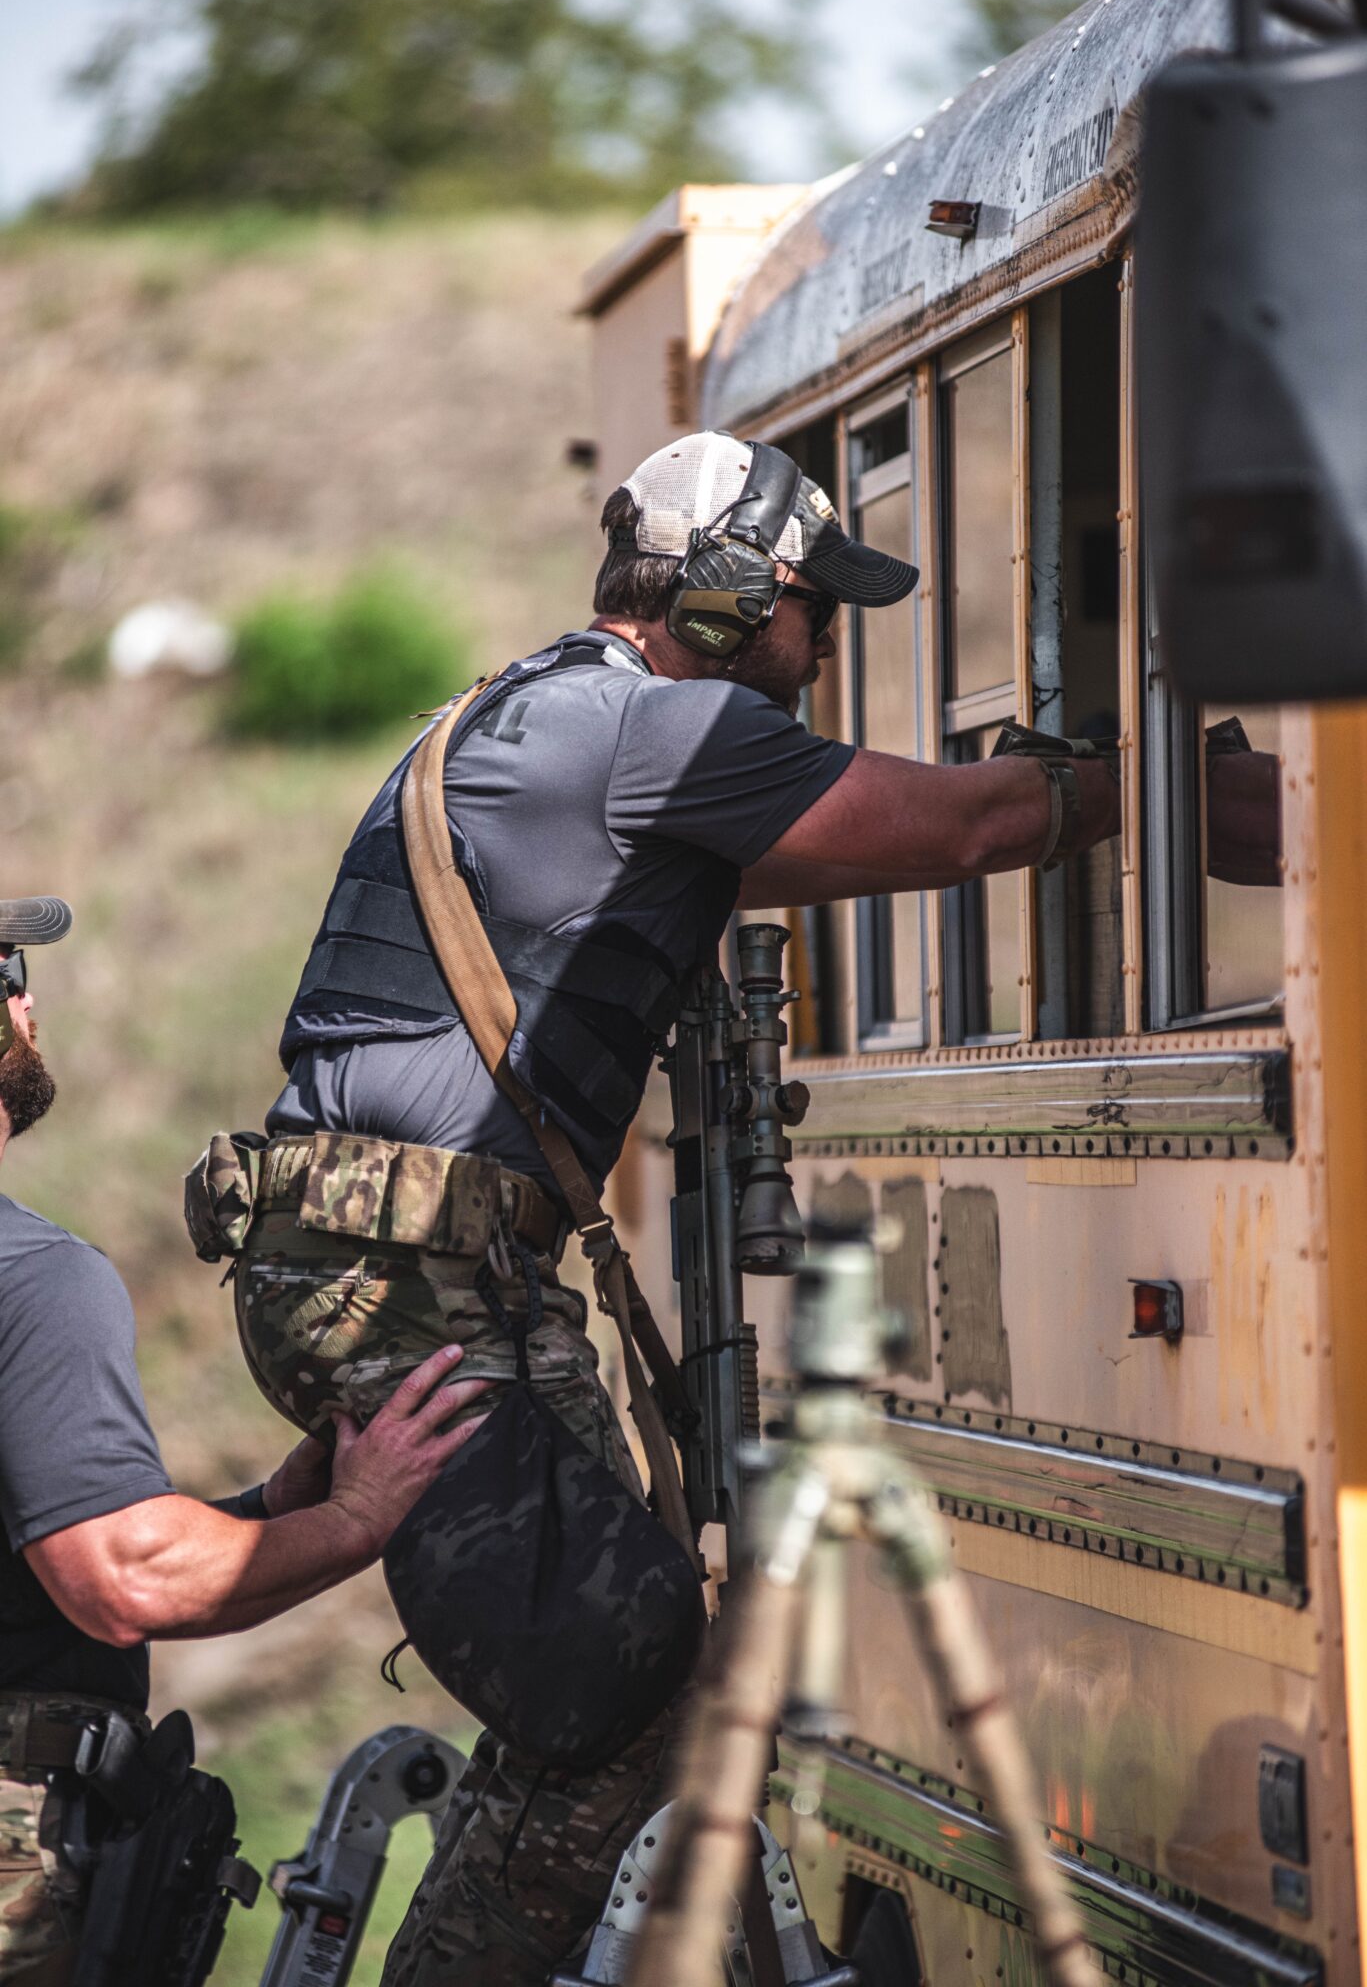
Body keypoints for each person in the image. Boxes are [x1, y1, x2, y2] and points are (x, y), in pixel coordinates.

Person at [232, 431, 1121, 1987]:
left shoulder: (550, 721)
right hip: (407, 1276)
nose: (825, 640)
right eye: (805, 601)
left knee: (618, 1686)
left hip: (392, 1262)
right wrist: (1142, 783)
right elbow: (962, 830)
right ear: (718, 603)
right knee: (628, 1696)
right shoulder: (648, 734)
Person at [0, 896, 494, 1985]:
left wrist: (272, 1512)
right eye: (7, 973)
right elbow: (116, 1576)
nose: (27, 999)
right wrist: (356, 1519)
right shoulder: (33, 1279)